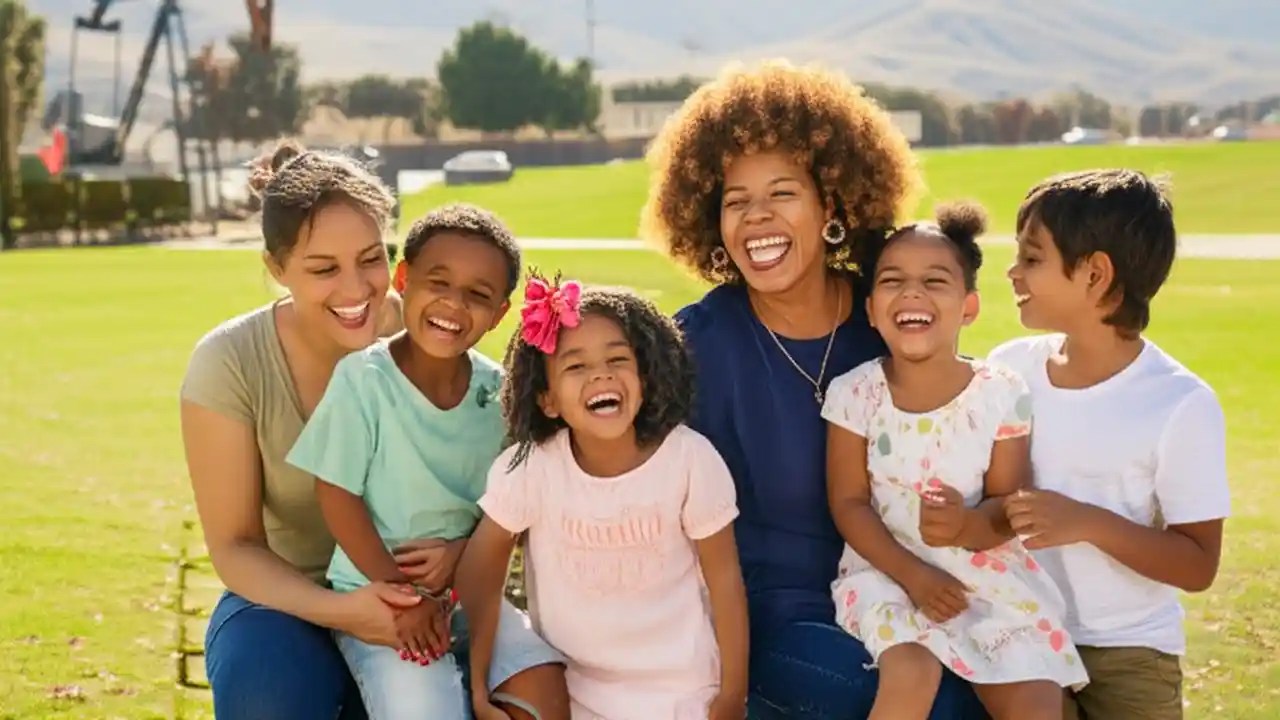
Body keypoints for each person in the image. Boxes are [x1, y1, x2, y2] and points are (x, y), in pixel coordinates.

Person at [641, 59, 989, 718]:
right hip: (777, 620)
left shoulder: (888, 316)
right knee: (947, 708)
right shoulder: (694, 346)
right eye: (735, 202)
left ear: (831, 204)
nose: (757, 219)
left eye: (782, 194)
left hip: (910, 593)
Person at [286, 205, 570, 719]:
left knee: (544, 688)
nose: (453, 304)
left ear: (500, 314)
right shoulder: (363, 381)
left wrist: (464, 553)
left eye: (478, 295)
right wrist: (403, 598)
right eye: (437, 282)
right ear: (402, 279)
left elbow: (510, 508)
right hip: (379, 602)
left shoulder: (499, 397)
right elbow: (336, 494)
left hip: (470, 594)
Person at [180, 140, 428, 719]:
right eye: (323, 269)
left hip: (413, 604)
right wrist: (342, 611)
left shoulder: (425, 333)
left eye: (372, 258)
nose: (356, 290)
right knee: (270, 694)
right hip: (280, 606)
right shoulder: (229, 362)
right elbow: (235, 546)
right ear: (276, 268)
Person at [823, 201, 1087, 720]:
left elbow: (1007, 506)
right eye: (893, 280)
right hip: (887, 573)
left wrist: (966, 525)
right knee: (912, 672)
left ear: (968, 307)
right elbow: (849, 504)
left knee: (1036, 696)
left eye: (934, 281)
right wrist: (914, 575)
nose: (912, 292)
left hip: (982, 579)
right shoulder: (854, 394)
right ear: (873, 309)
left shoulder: (1001, 392)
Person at [990, 169, 1230, 720]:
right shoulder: (1007, 369)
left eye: (1032, 259)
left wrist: (1085, 523)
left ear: (1095, 274)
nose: (1012, 272)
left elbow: (1198, 566)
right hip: (1021, 642)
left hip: (1131, 655)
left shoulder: (1179, 403)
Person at [455, 277, 750, 720]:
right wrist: (479, 687)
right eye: (576, 367)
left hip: (682, 691)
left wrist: (731, 695)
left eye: (617, 359)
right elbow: (480, 576)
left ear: (645, 379)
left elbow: (726, 581)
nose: (601, 374)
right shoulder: (532, 468)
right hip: (573, 694)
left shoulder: (689, 459)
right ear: (548, 399)